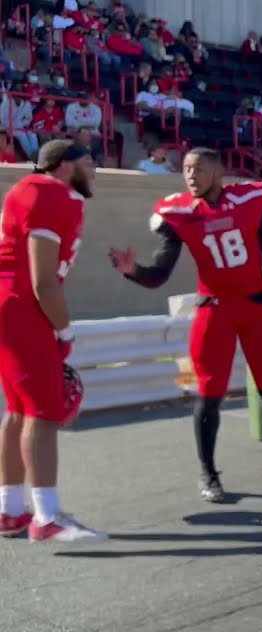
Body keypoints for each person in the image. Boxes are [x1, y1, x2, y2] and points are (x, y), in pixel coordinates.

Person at [107, 148, 262, 503]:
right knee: (208, 393)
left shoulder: (251, 199)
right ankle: (209, 473)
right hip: (214, 310)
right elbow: (159, 275)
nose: (190, 175)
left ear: (219, 172)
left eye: (199, 169)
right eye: (186, 169)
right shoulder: (181, 213)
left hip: (256, 307)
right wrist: (133, 270)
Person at [0, 139, 104, 542]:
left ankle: (10, 510)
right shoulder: (51, 194)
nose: (93, 169)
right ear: (65, 166)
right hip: (23, 307)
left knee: (19, 411)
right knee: (43, 414)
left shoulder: (28, 190)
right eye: (88, 161)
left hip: (11, 305)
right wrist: (64, 332)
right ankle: (47, 517)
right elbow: (43, 282)